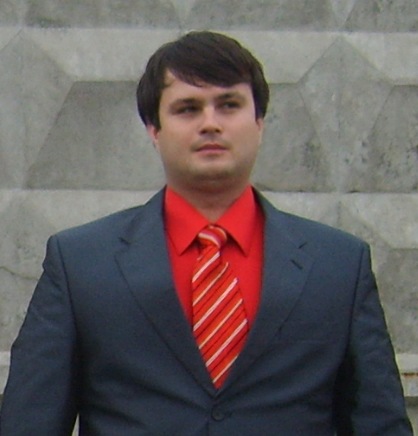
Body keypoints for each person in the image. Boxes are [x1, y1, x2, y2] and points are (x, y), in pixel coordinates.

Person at [0, 31, 412, 435]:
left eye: (229, 105)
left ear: (260, 122)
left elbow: (379, 422)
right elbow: (29, 421)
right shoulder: (81, 264)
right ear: (154, 129)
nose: (210, 123)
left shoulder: (338, 265)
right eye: (188, 109)